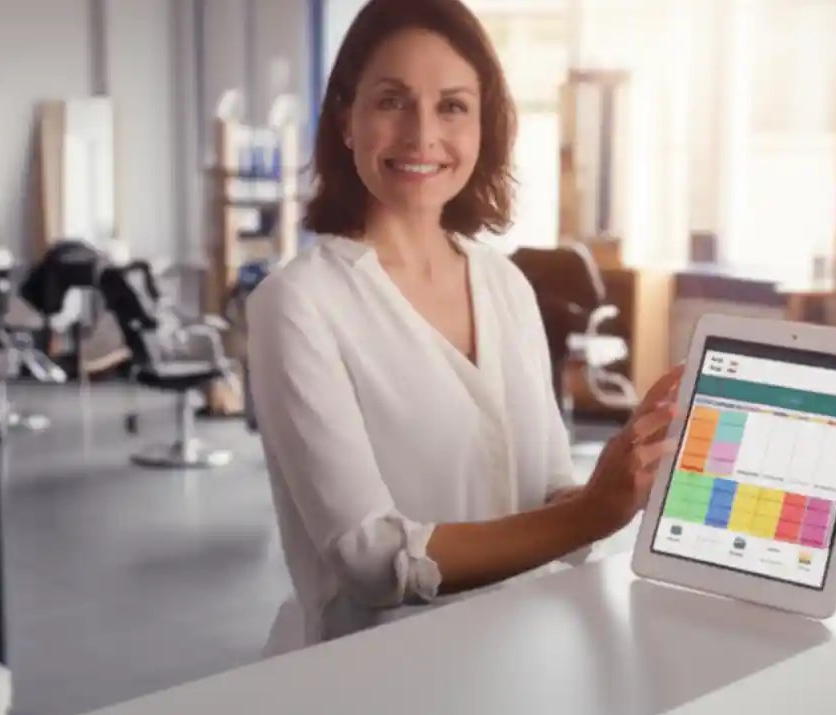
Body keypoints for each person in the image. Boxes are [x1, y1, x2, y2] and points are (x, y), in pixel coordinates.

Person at [248, 0, 682, 654]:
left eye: (452, 106)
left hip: (518, 655)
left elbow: (546, 490)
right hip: (370, 678)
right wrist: (590, 512)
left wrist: (636, 477)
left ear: (484, 126)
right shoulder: (298, 302)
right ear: (345, 120)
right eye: (392, 101)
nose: (423, 135)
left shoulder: (503, 283)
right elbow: (371, 556)